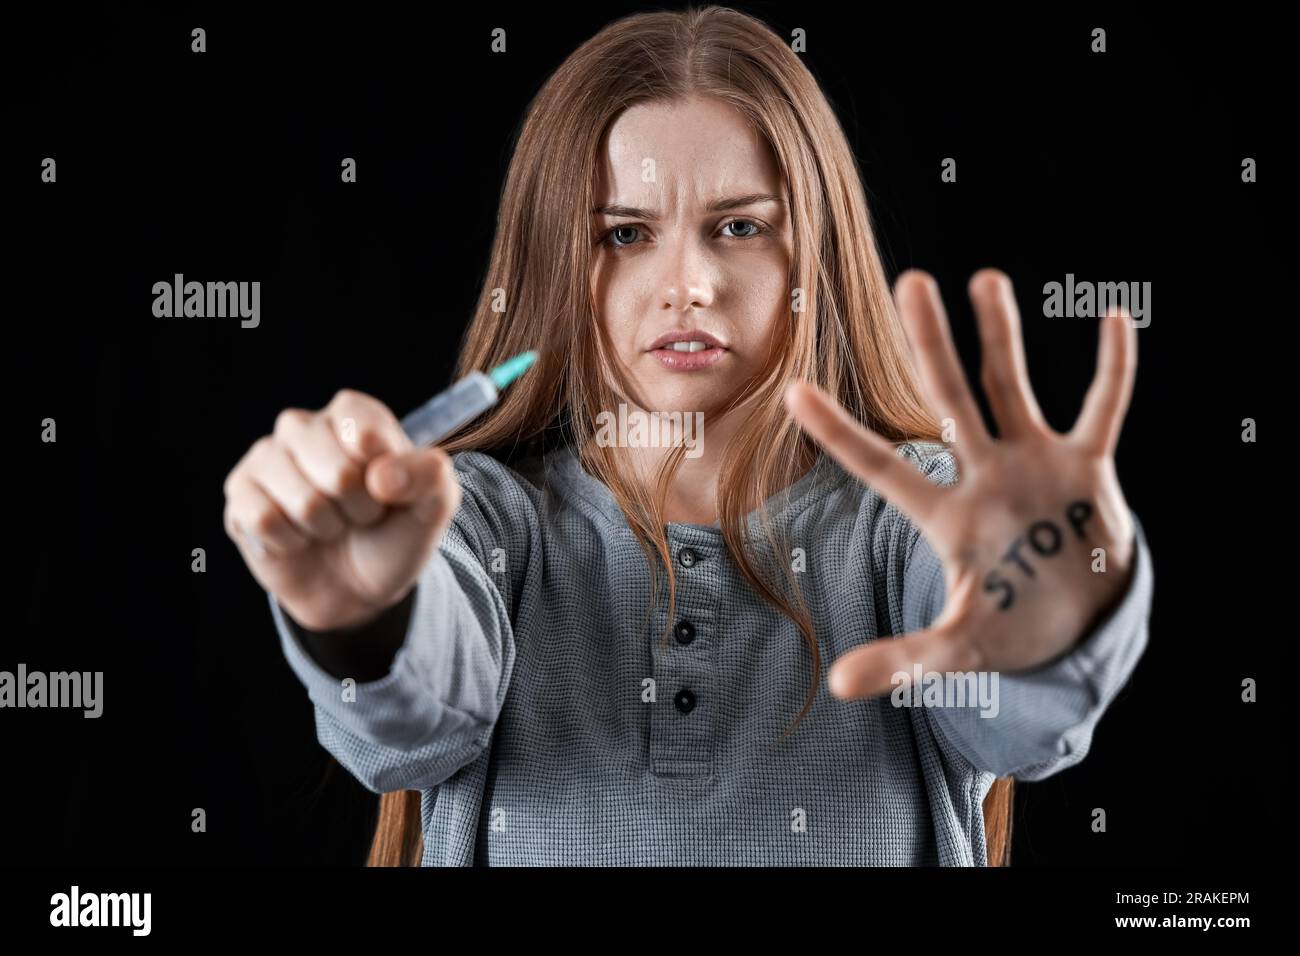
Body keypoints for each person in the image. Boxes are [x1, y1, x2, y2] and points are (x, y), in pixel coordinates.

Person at [222, 5, 1153, 866]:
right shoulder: (486, 525)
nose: (687, 285)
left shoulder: (909, 521)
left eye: (739, 226)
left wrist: (1055, 597)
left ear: (815, 255)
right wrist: (362, 619)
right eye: (624, 235)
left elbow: (1021, 719)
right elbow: (412, 723)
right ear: (556, 265)